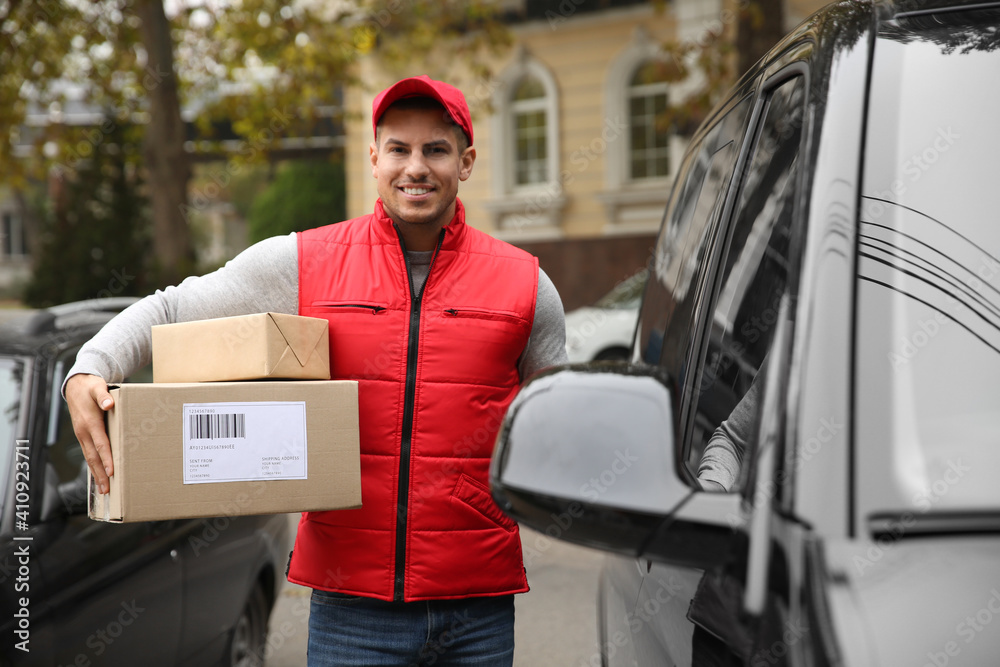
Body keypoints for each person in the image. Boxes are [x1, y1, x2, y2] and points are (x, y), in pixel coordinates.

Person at [65, 75, 568, 666]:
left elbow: (554, 421)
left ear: (466, 162)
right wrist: (89, 368)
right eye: (399, 149)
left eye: (436, 149)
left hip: (477, 609)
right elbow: (173, 306)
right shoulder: (307, 261)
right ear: (374, 158)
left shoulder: (524, 283)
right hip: (353, 611)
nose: (416, 167)